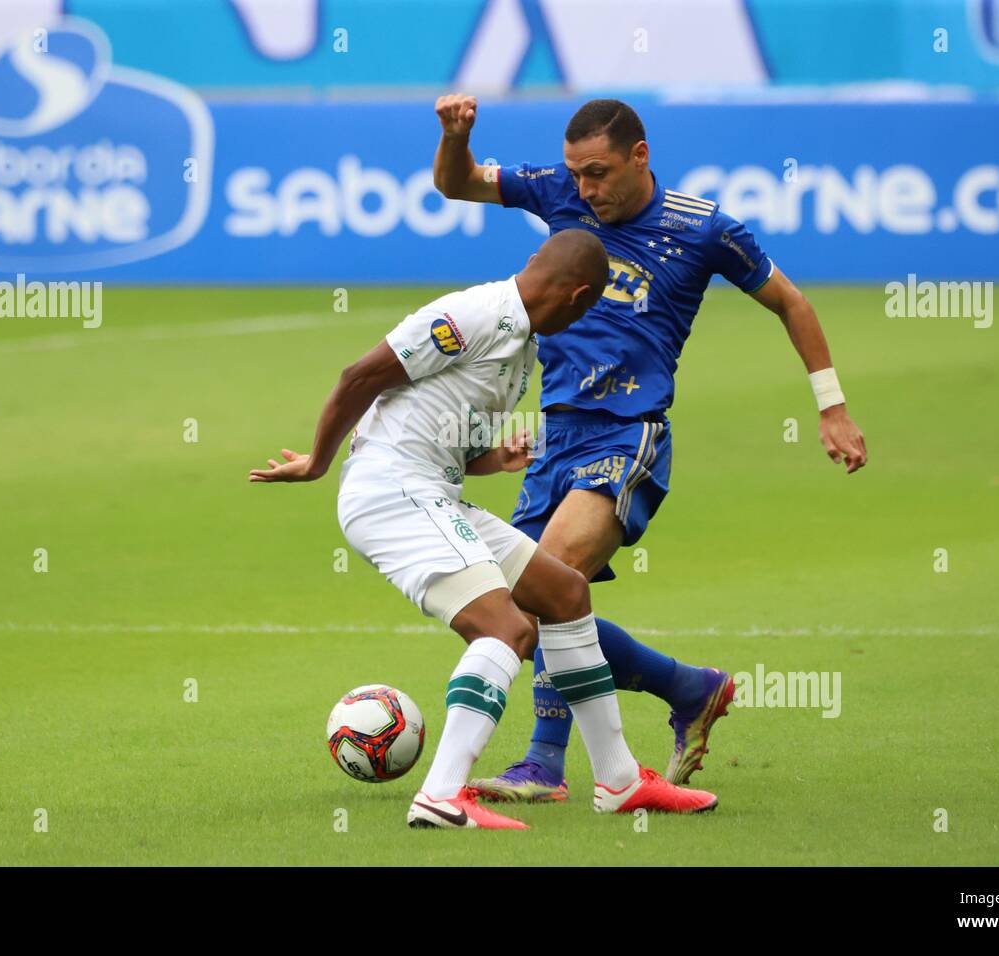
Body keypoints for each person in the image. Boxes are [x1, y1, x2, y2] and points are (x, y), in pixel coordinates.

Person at [432, 95, 868, 802]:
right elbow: (456, 185)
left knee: (553, 577)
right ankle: (688, 688)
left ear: (640, 156)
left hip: (627, 431)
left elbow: (791, 301)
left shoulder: (704, 229)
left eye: (599, 173)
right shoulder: (555, 189)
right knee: (529, 600)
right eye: (576, 174)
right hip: (555, 437)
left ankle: (544, 764)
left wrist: (833, 407)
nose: (585, 190)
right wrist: (455, 137)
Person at [250, 229, 718, 829]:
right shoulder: (472, 315)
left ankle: (620, 781)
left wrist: (491, 458)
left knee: (565, 593)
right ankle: (442, 794)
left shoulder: (520, 348)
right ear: (577, 297)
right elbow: (360, 376)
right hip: (394, 492)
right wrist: (317, 462)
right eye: (586, 308)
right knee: (506, 628)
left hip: (431, 489)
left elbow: (437, 429)